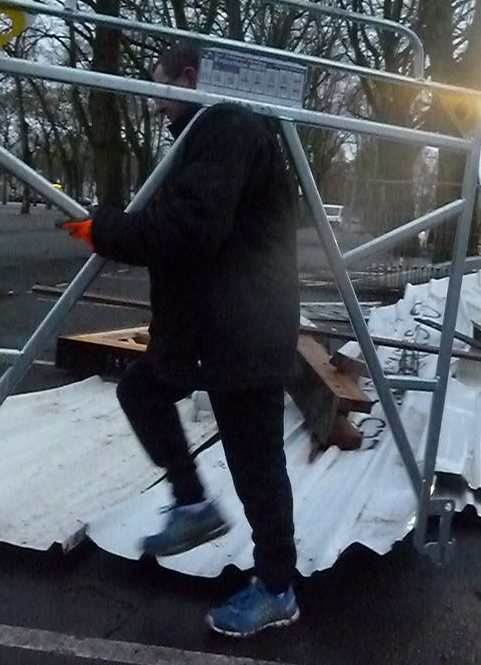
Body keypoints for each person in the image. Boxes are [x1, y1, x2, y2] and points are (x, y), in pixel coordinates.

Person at [63, 40, 301, 637]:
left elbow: (193, 227)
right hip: (213, 327)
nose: (156, 104)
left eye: (161, 88)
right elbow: (191, 220)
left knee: (257, 465)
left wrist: (106, 230)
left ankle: (277, 588)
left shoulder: (225, 125)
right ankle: (193, 505)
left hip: (242, 329)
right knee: (142, 392)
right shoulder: (211, 135)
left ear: (190, 79)